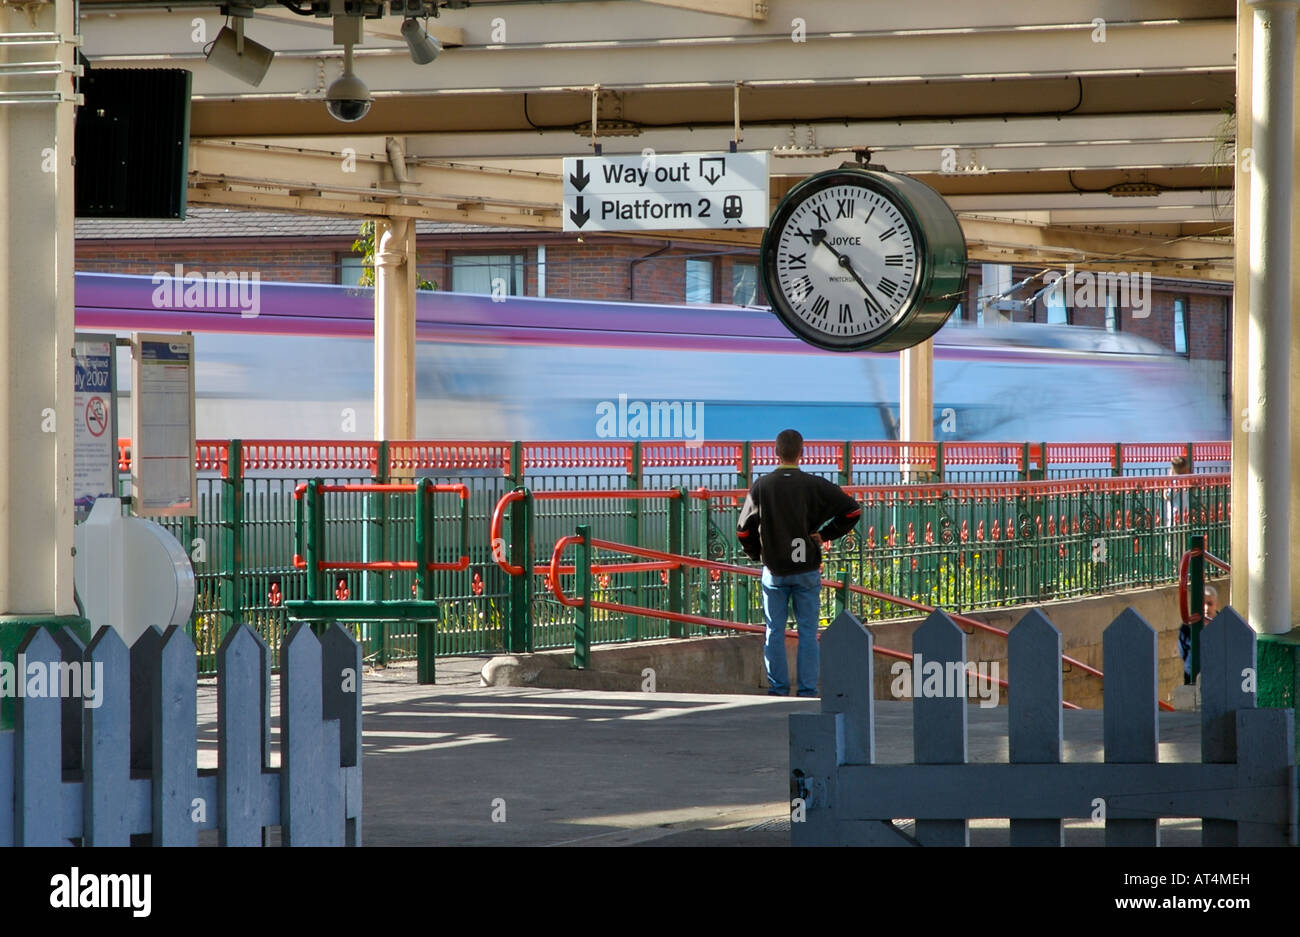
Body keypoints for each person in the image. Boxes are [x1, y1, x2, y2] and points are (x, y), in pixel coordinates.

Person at [736, 429, 862, 697]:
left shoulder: (762, 486)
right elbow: (853, 510)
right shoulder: (814, 485)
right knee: (808, 632)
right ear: (802, 453)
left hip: (774, 571)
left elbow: (743, 530)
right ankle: (807, 690)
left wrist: (757, 554)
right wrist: (825, 535)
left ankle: (778, 689)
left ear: (775, 453)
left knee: (774, 631)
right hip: (806, 570)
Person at [1178, 585, 1218, 685]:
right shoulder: (1187, 628)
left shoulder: (1223, 624)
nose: (1206, 608)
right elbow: (1183, 651)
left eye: (1210, 604)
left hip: (1217, 679)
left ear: (1216, 605)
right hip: (1192, 679)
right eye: (1203, 603)